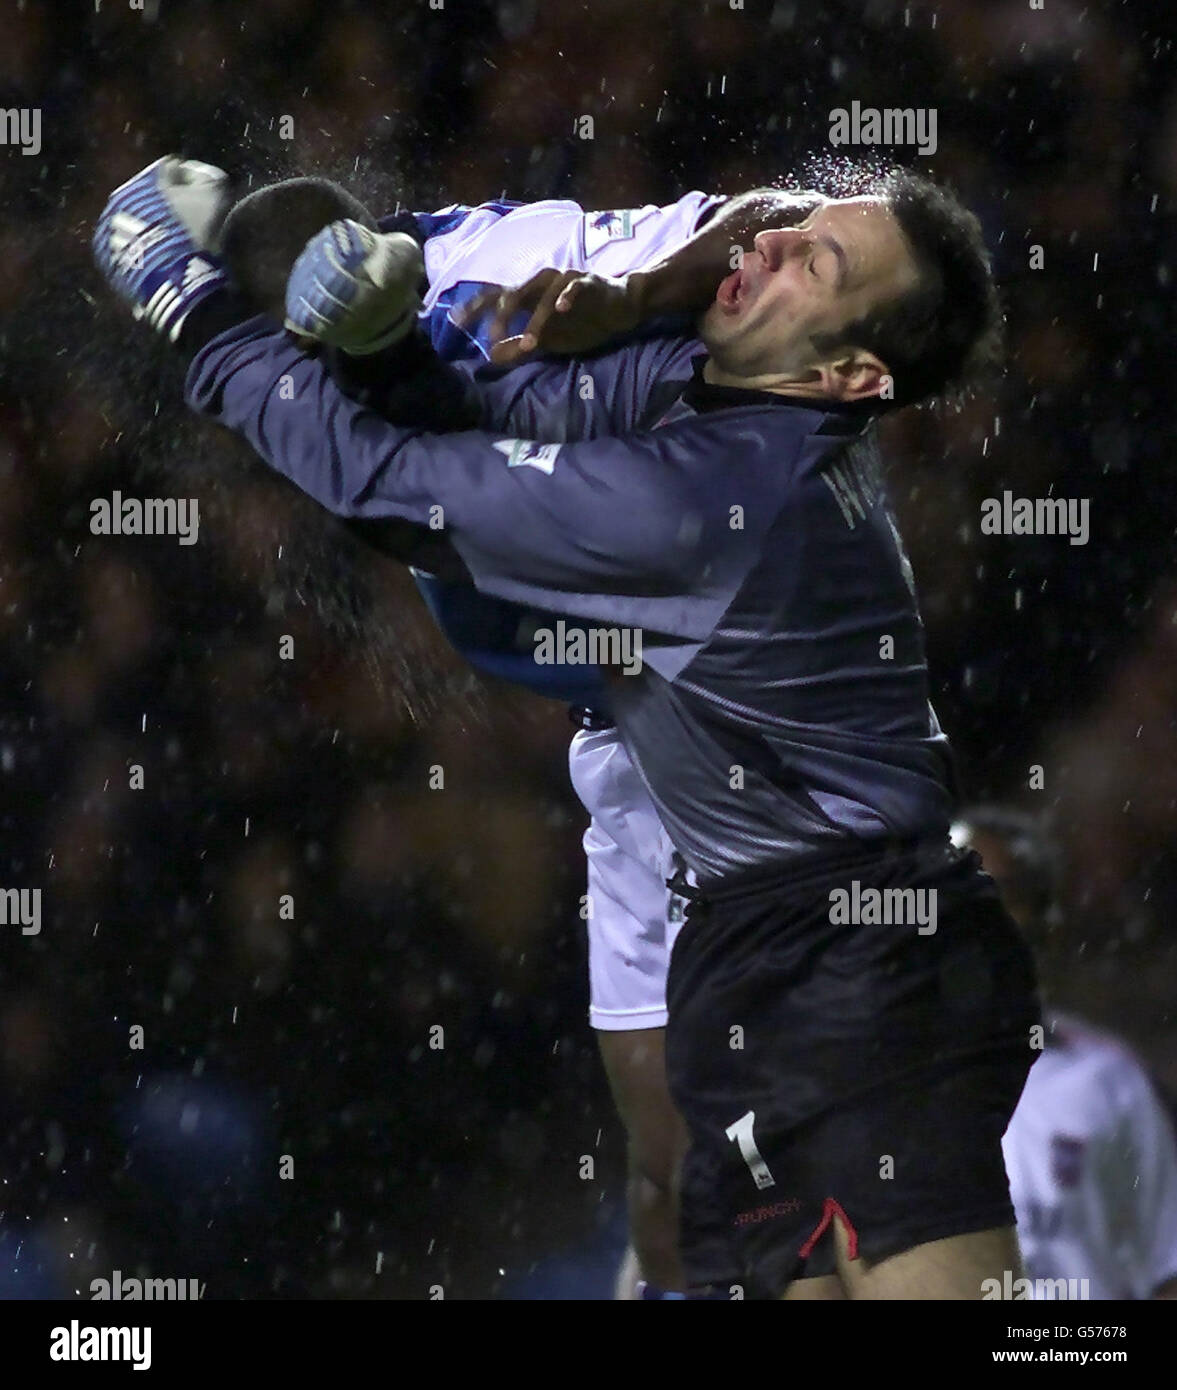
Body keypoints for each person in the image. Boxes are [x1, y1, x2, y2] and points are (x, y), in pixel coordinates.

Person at [93, 154, 1035, 1299]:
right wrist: (385, 350)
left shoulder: (711, 508)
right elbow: (484, 418)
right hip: (764, 945)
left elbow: (396, 483)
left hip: (870, 955)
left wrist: (196, 316)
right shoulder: (713, 384)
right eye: (785, 229)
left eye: (811, 261)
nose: (769, 249)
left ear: (847, 370)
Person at [952, 806, 1177, 1301]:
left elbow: (1166, 1264)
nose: (971, 912)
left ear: (1045, 921)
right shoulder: (882, 1080)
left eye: (999, 892)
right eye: (952, 891)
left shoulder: (1108, 1077)